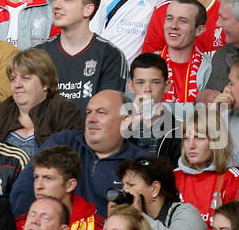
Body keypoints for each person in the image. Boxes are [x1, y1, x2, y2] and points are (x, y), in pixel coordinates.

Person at [9, 91, 148, 218]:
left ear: (126, 120)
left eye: (101, 112)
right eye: (88, 112)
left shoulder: (140, 164)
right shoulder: (62, 142)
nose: (91, 119)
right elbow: (23, 191)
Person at [0, 49, 84, 159]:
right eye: (13, 79)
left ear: (45, 83)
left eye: (25, 78)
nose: (17, 85)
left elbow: (70, 161)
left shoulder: (63, 112)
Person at [20, 146, 101, 230]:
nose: (38, 186)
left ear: (70, 185)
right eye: (36, 177)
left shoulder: (98, 229)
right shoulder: (21, 223)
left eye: (48, 178)